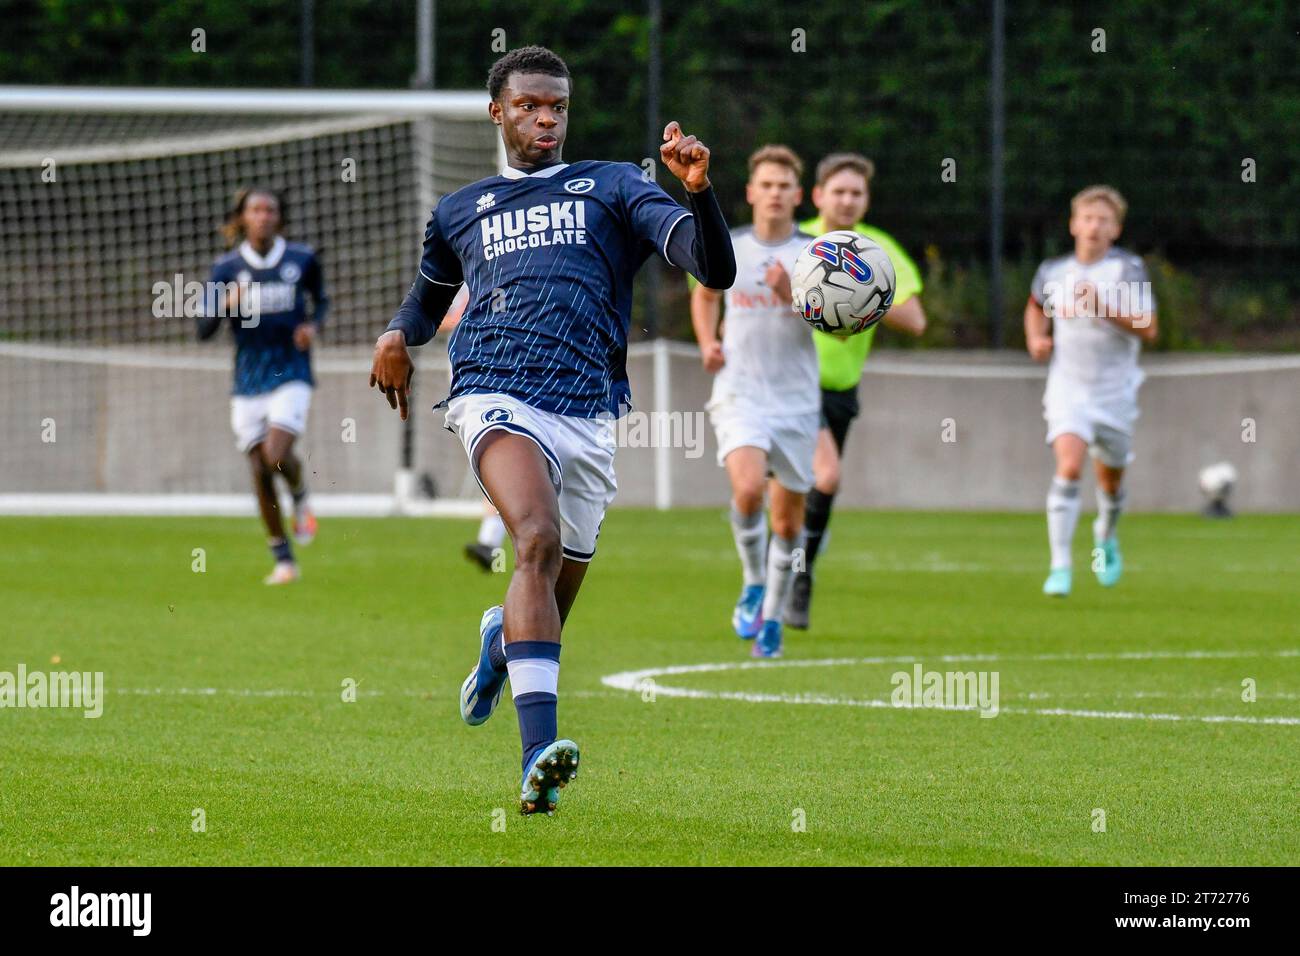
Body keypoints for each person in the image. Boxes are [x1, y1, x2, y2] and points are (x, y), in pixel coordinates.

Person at [368, 46, 735, 814]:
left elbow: (713, 268)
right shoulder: (460, 210)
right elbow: (425, 305)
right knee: (529, 538)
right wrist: (395, 338)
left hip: (588, 413)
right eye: (530, 105)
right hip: (493, 394)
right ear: (496, 111)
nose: (545, 119)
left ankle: (502, 642)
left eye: (557, 107)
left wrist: (698, 193)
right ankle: (539, 761)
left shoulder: (613, 186)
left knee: (549, 602)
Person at [786, 154, 927, 629]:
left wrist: (857, 296)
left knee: (810, 493)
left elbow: (916, 320)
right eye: (839, 191)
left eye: (857, 193)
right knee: (824, 478)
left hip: (840, 392)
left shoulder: (877, 251)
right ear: (818, 195)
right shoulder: (796, 241)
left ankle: (793, 563)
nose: (847, 201)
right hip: (788, 385)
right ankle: (795, 582)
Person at [690, 145, 815, 659]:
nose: (775, 194)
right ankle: (752, 581)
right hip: (740, 393)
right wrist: (707, 342)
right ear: (750, 192)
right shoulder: (731, 245)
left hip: (797, 402)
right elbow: (705, 294)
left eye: (784, 186)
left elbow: (843, 326)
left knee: (787, 524)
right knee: (746, 490)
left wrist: (794, 296)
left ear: (798, 195)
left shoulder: (819, 254)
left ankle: (774, 618)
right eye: (766, 184)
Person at [1024, 185, 1157, 596]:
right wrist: (1037, 339)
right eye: (1087, 218)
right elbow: (1034, 307)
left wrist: (1104, 308)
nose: (1094, 226)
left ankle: (1105, 536)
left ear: (1115, 229)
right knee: (1068, 466)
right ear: (1073, 224)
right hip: (1068, 387)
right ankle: (1060, 566)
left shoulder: (1127, 270)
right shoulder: (1053, 271)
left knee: (1110, 482)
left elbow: (1149, 328)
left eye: (1103, 220)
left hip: (1114, 391)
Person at [199, 187, 326, 585]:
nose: (263, 216)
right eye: (255, 210)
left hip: (290, 372)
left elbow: (321, 301)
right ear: (242, 218)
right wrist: (223, 306)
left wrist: (312, 326)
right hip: (247, 380)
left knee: (273, 455)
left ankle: (301, 492)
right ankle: (283, 558)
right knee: (258, 466)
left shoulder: (302, 259)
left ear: (279, 218)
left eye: (270, 210)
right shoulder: (225, 269)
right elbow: (202, 329)